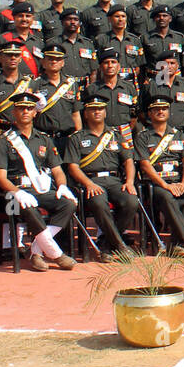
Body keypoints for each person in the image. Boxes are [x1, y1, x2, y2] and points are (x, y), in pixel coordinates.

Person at [0, 92, 79, 271]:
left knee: (68, 204)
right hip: (14, 193)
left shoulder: (44, 139)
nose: (25, 111)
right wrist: (17, 192)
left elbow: (57, 170)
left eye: (29, 108)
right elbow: (0, 177)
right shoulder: (4, 141)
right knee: (28, 207)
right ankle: (56, 254)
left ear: (35, 113)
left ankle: (36, 252)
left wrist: (62, 186)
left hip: (39, 189)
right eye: (21, 108)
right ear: (14, 112)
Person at [62, 93, 140, 259]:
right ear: (86, 113)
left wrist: (130, 181)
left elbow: (128, 161)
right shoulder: (76, 138)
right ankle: (119, 246)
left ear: (105, 112)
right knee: (98, 202)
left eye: (100, 109)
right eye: (93, 110)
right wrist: (88, 183)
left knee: (131, 201)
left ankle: (106, 244)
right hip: (91, 181)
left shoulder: (116, 135)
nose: (97, 112)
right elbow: (73, 167)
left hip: (114, 180)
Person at [134, 94, 184, 256]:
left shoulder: (178, 135)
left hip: (177, 178)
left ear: (169, 112)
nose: (160, 111)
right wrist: (165, 185)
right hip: (156, 183)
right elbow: (145, 165)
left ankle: (175, 244)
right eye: (156, 109)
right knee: (167, 197)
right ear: (149, 113)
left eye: (164, 109)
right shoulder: (143, 137)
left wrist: (183, 182)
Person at [31, 44, 82, 153]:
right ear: (43, 62)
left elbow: (76, 113)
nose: (54, 62)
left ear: (63, 63)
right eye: (50, 59)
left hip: (67, 139)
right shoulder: (35, 85)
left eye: (58, 59)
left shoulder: (71, 84)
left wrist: (79, 137)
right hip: (43, 138)